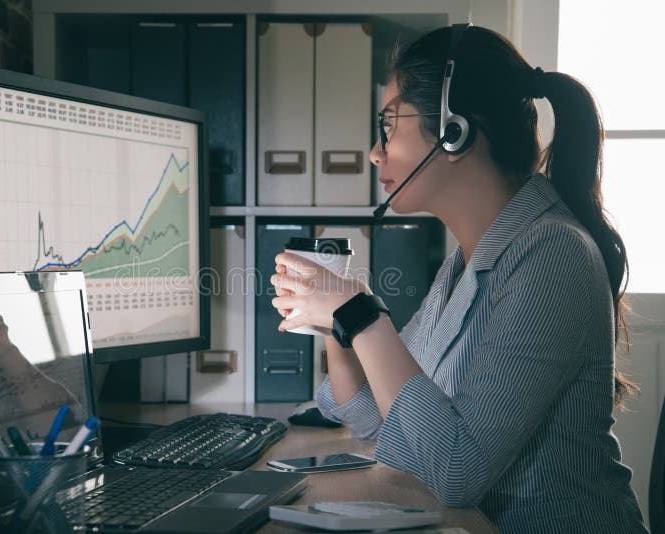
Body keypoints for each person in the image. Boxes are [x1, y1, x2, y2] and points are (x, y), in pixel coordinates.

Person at [271, 24, 647, 533]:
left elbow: (455, 471)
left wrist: (358, 315)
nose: (375, 152)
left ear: (455, 132)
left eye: (390, 125)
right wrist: (336, 325)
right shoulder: (468, 261)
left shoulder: (553, 255)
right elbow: (388, 423)